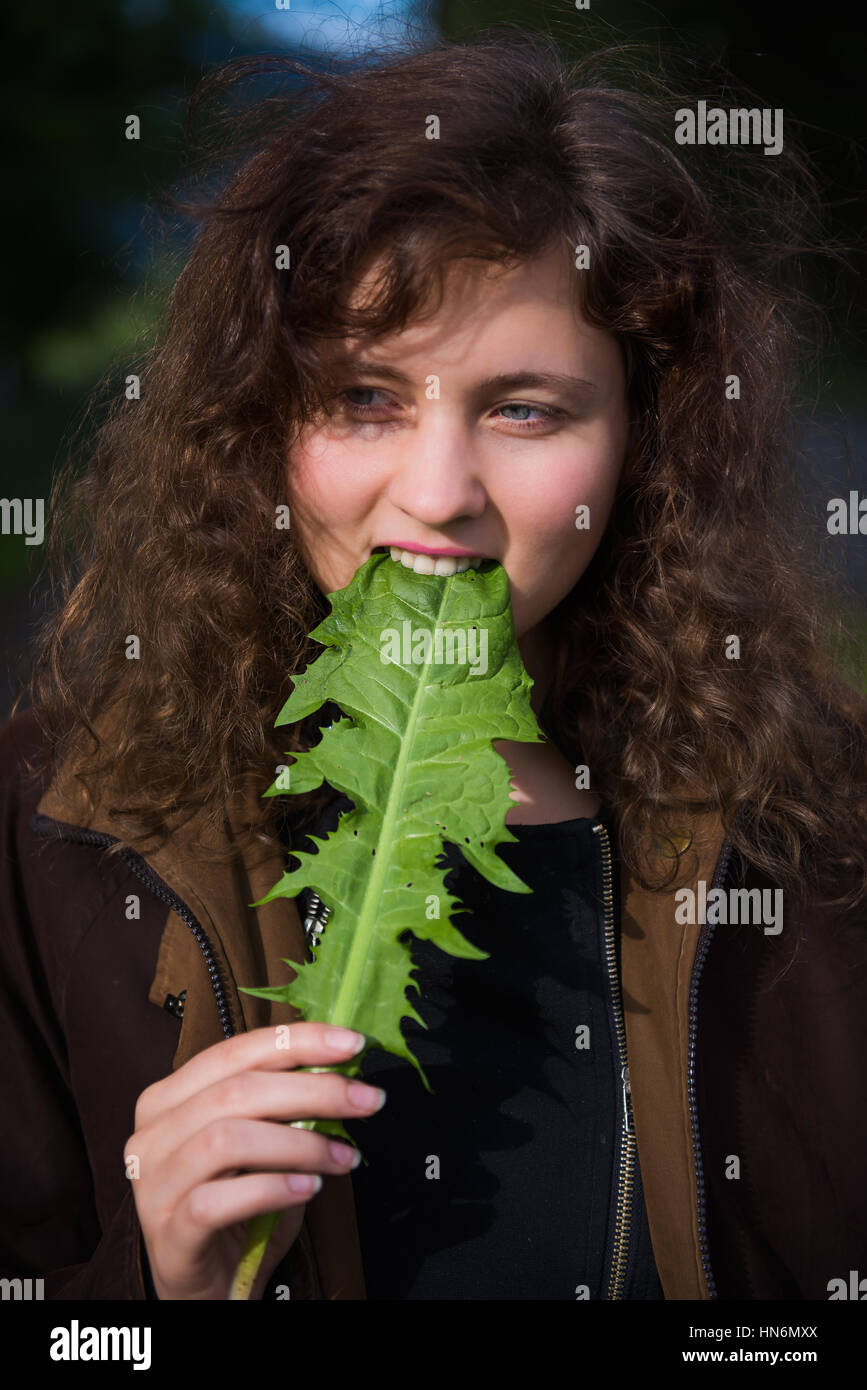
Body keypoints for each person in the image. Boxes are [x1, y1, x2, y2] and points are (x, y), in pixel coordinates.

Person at [1, 28, 865, 1302]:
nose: (439, 492)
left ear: (644, 433)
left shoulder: (819, 822)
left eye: (525, 409)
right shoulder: (58, 822)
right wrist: (151, 1290)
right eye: (363, 398)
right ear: (259, 418)